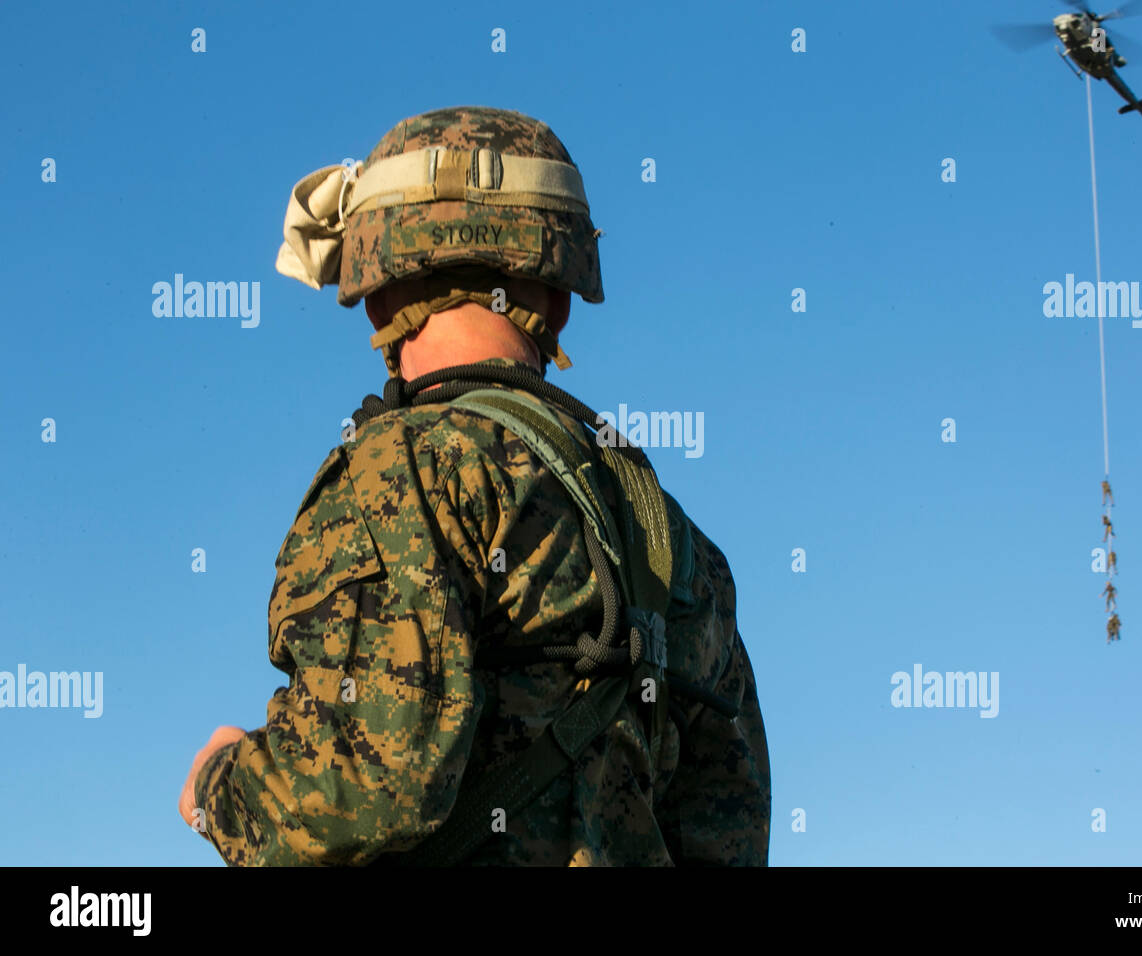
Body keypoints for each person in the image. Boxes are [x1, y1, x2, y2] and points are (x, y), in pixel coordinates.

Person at [177, 106, 771, 866]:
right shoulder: (673, 540)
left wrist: (218, 787)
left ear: (380, 285)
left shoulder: (407, 468)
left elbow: (363, 792)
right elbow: (729, 833)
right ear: (557, 299)